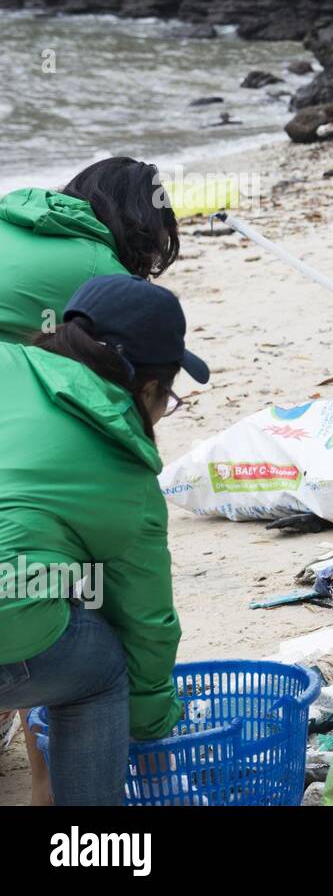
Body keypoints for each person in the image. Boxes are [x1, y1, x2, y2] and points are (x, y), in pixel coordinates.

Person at [0, 275, 207, 806]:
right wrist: (151, 725)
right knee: (100, 669)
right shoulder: (125, 470)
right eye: (170, 396)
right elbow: (147, 624)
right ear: (145, 388)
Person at [0, 157, 180, 343]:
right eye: (153, 251)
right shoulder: (101, 269)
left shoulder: (12, 215)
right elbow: (153, 358)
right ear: (140, 232)